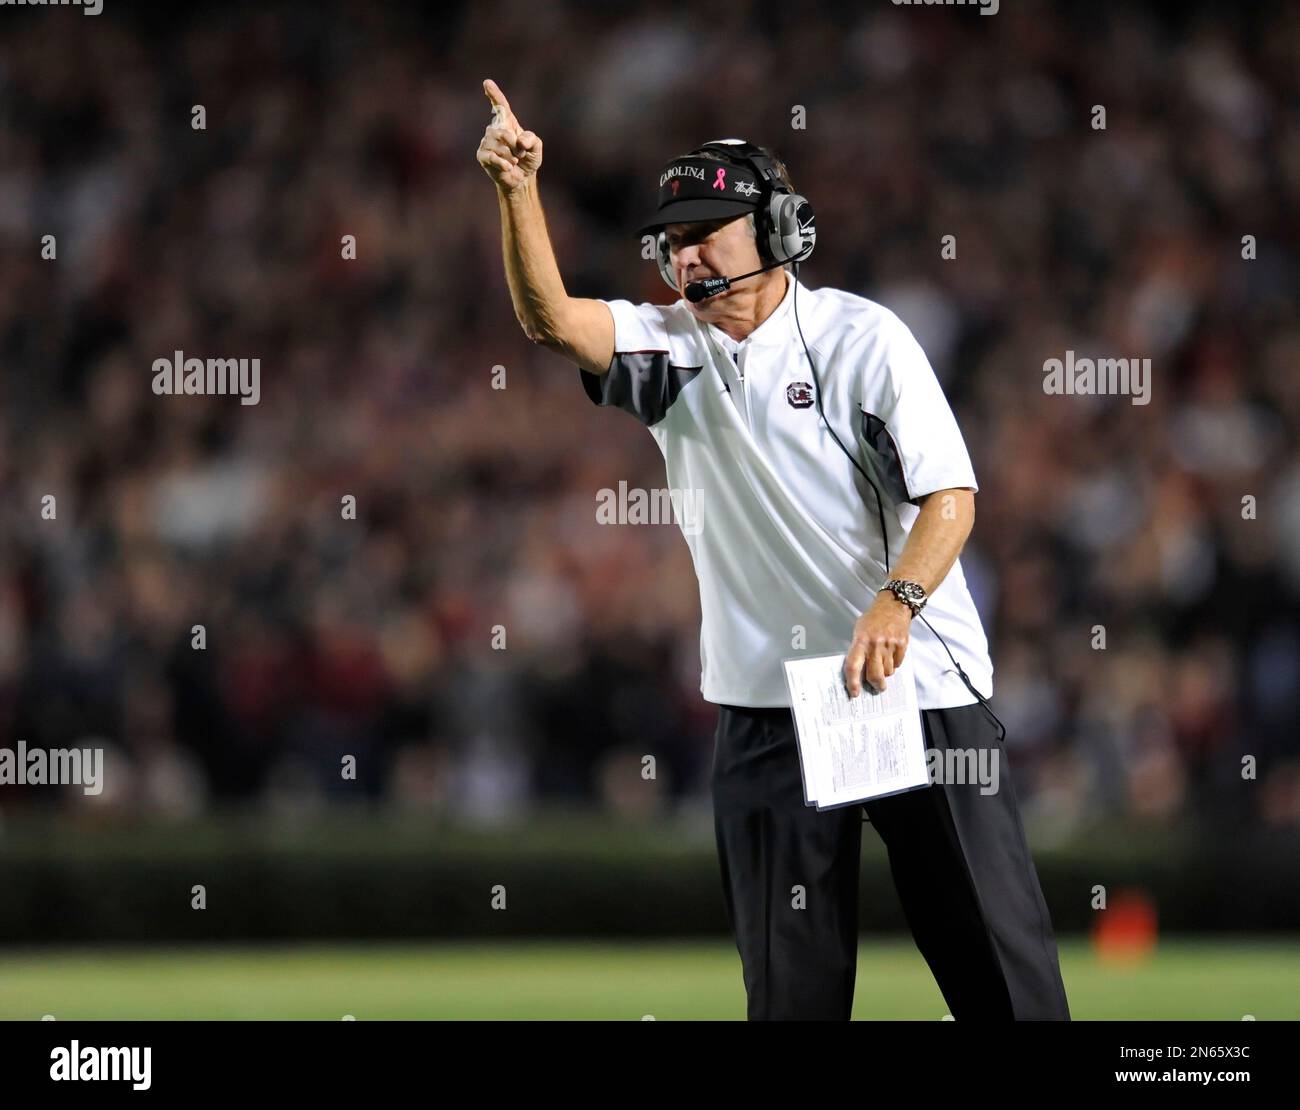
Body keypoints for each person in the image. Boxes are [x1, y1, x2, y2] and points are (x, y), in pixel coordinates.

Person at [477, 78, 1070, 1021]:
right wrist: (517, 192)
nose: (688, 251)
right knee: (789, 1000)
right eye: (674, 236)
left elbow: (951, 499)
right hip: (769, 710)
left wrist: (896, 602)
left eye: (711, 225)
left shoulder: (863, 339)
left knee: (1000, 974)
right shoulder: (671, 349)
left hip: (917, 691)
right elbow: (550, 319)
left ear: (783, 228)